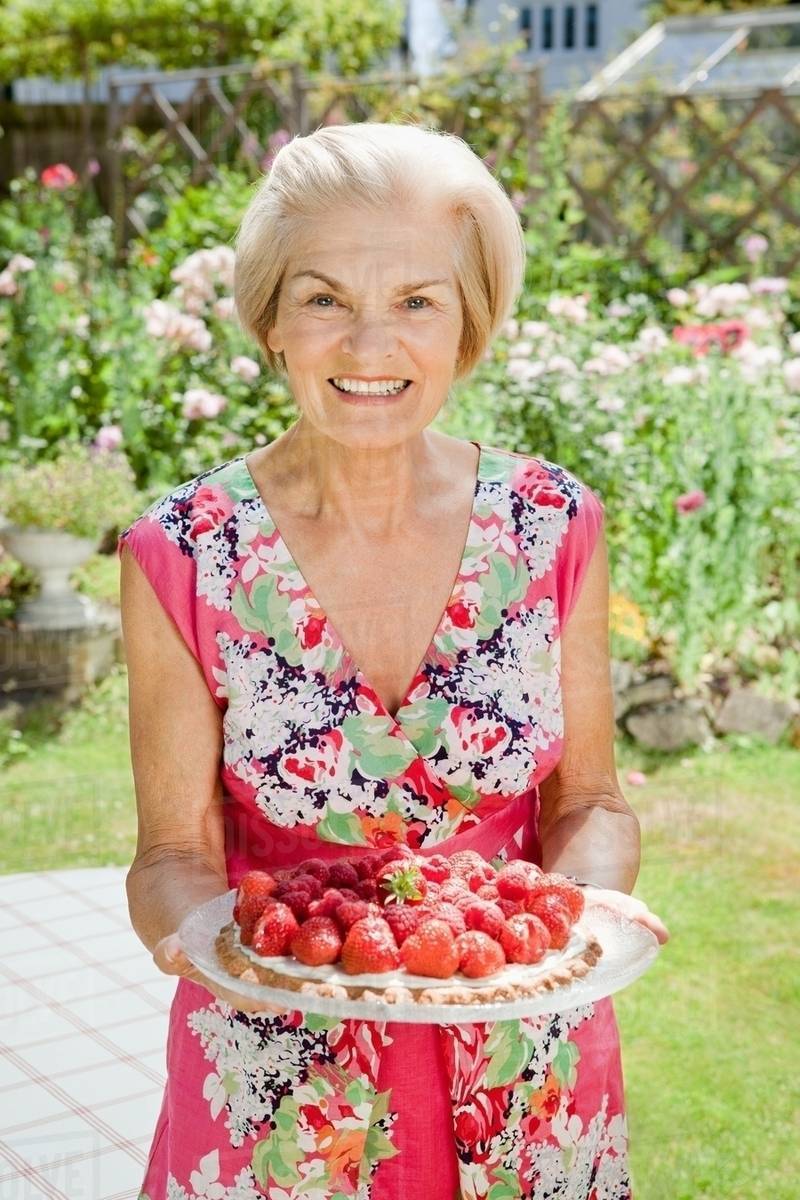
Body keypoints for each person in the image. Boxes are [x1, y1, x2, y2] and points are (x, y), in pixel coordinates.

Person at [118, 121, 669, 1200]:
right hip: (277, 1097)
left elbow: (591, 802)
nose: (370, 349)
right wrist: (208, 938)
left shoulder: (553, 523)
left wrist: (566, 927)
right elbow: (168, 854)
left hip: (527, 1078)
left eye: (417, 302)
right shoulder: (180, 552)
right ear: (270, 319)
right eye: (324, 298)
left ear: (468, 327)